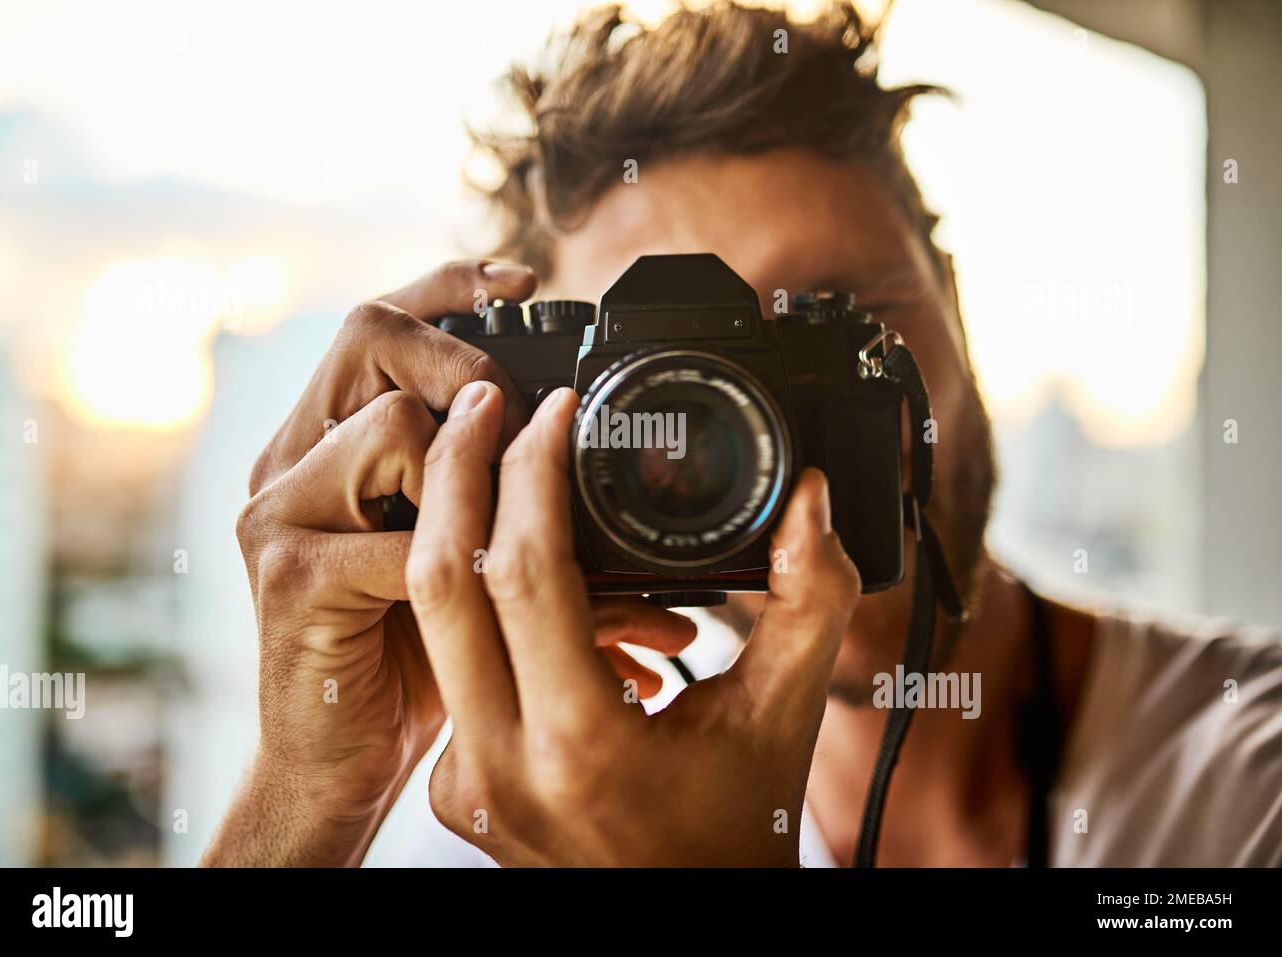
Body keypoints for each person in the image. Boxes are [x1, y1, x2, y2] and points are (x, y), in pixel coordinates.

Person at [202, 2, 1282, 867]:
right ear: (532, 438)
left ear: (952, 309)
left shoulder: (1247, 778)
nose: (776, 444)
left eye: (834, 322)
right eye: (675, 389)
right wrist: (309, 798)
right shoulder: (504, 809)